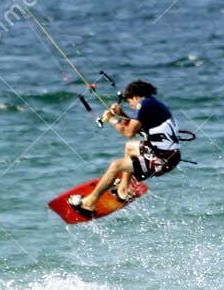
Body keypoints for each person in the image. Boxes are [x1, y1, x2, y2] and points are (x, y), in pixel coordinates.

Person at [71, 80, 182, 217]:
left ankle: (89, 204)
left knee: (116, 166)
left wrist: (112, 120)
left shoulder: (144, 104)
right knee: (130, 147)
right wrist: (121, 113)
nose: (131, 105)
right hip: (167, 155)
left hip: (162, 160)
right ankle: (122, 190)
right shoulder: (152, 103)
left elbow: (129, 133)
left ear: (135, 96)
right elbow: (137, 130)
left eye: (129, 101)